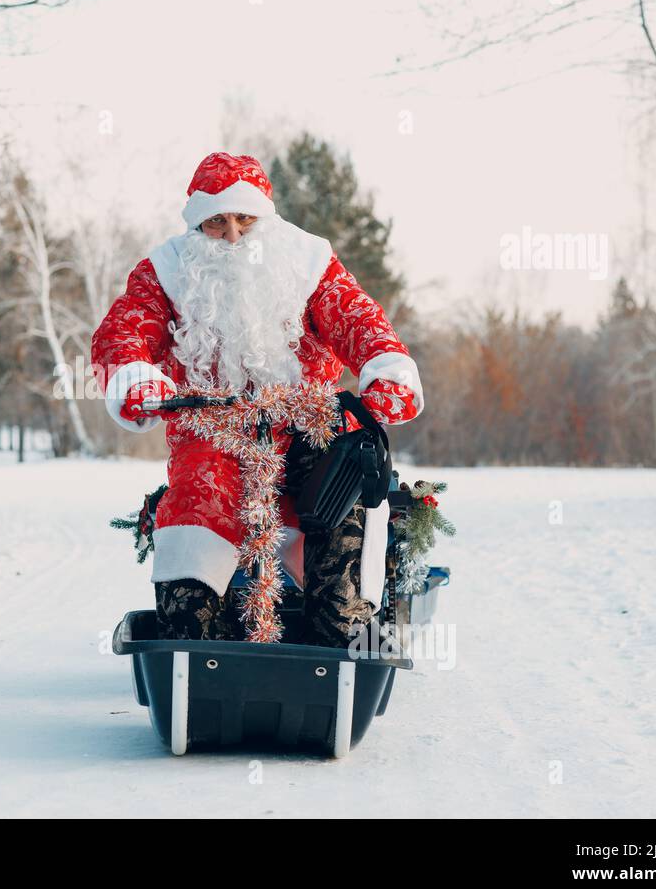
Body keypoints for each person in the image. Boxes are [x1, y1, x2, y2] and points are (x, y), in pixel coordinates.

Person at [90, 151, 425, 646]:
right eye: (216, 222)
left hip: (311, 424)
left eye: (244, 218)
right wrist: (136, 377)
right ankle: (193, 640)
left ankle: (343, 631)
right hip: (212, 430)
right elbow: (124, 332)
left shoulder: (308, 261)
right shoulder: (166, 271)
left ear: (264, 217)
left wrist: (385, 368)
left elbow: (357, 319)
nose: (232, 235)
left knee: (343, 498)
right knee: (196, 505)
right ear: (197, 223)